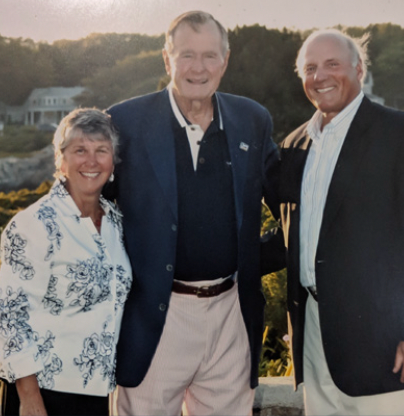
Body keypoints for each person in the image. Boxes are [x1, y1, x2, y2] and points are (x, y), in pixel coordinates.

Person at [106, 10, 279, 416]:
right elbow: (86, 202)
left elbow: (288, 205)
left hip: (230, 312)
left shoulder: (252, 120)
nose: (198, 68)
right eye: (186, 55)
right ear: (167, 59)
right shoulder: (124, 121)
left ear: (225, 60)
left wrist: (254, 261)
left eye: (209, 56)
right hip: (156, 316)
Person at [277, 29, 404, 415]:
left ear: (359, 69)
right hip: (318, 342)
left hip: (394, 347)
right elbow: (292, 237)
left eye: (332, 64)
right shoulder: (295, 145)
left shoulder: (403, 134)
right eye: (310, 68)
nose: (320, 76)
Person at [0, 108, 133, 416]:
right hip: (43, 392)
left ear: (113, 161)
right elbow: (7, 317)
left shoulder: (117, 223)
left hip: (99, 394)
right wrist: (31, 400)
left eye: (101, 150)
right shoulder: (33, 224)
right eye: (80, 150)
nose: (91, 161)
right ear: (61, 159)